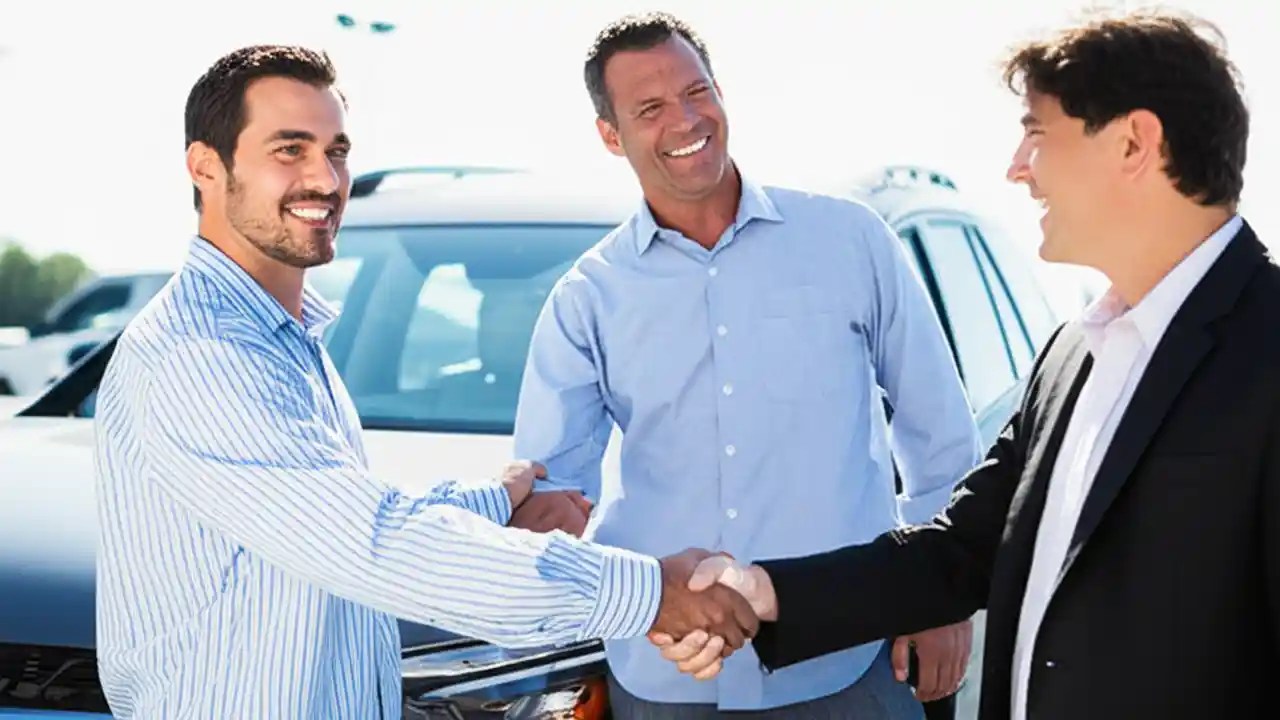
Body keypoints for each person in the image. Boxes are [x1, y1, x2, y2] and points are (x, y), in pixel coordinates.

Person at [92, 45, 758, 719]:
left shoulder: (282, 341)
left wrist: (493, 506)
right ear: (207, 167)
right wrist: (650, 593)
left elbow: (318, 524)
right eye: (289, 150)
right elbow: (373, 542)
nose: (325, 179)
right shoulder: (199, 355)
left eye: (337, 150)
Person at [657, 10, 1280, 720]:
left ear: (1135, 143)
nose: (1017, 169)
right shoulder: (1074, 351)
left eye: (1037, 134)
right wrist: (763, 590)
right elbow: (963, 551)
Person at [511, 12, 982, 719]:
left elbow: (937, 434)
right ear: (612, 135)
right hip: (666, 678)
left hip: (846, 663)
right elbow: (555, 497)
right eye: (650, 108)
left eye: (697, 92)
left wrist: (943, 598)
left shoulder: (850, 240)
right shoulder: (589, 297)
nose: (685, 119)